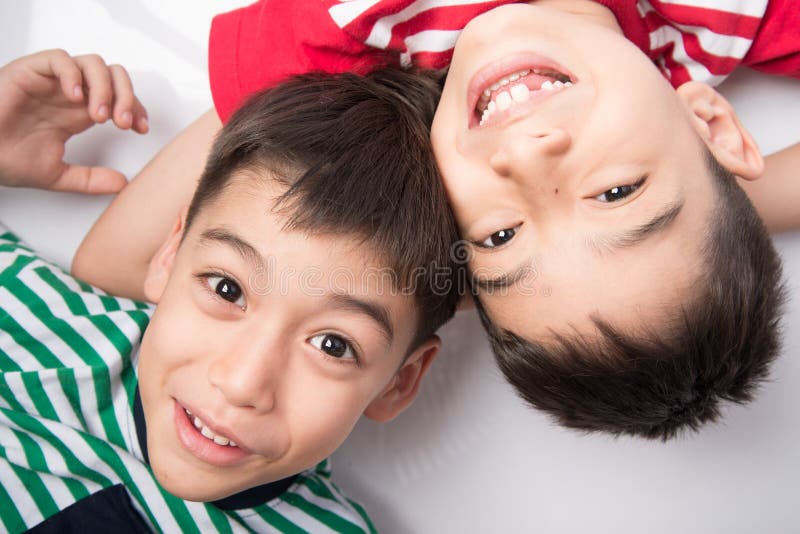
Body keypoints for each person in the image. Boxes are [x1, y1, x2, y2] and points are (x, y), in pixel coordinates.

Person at [74, 0, 799, 440]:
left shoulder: (353, 37)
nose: (526, 155)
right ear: (711, 125)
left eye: (500, 235)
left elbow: (119, 263)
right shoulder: (721, 16)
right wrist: (729, 190)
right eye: (617, 193)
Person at [0, 49, 461, 531]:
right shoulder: (30, 324)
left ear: (399, 381)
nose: (242, 384)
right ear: (170, 253)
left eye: (333, 345)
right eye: (226, 289)